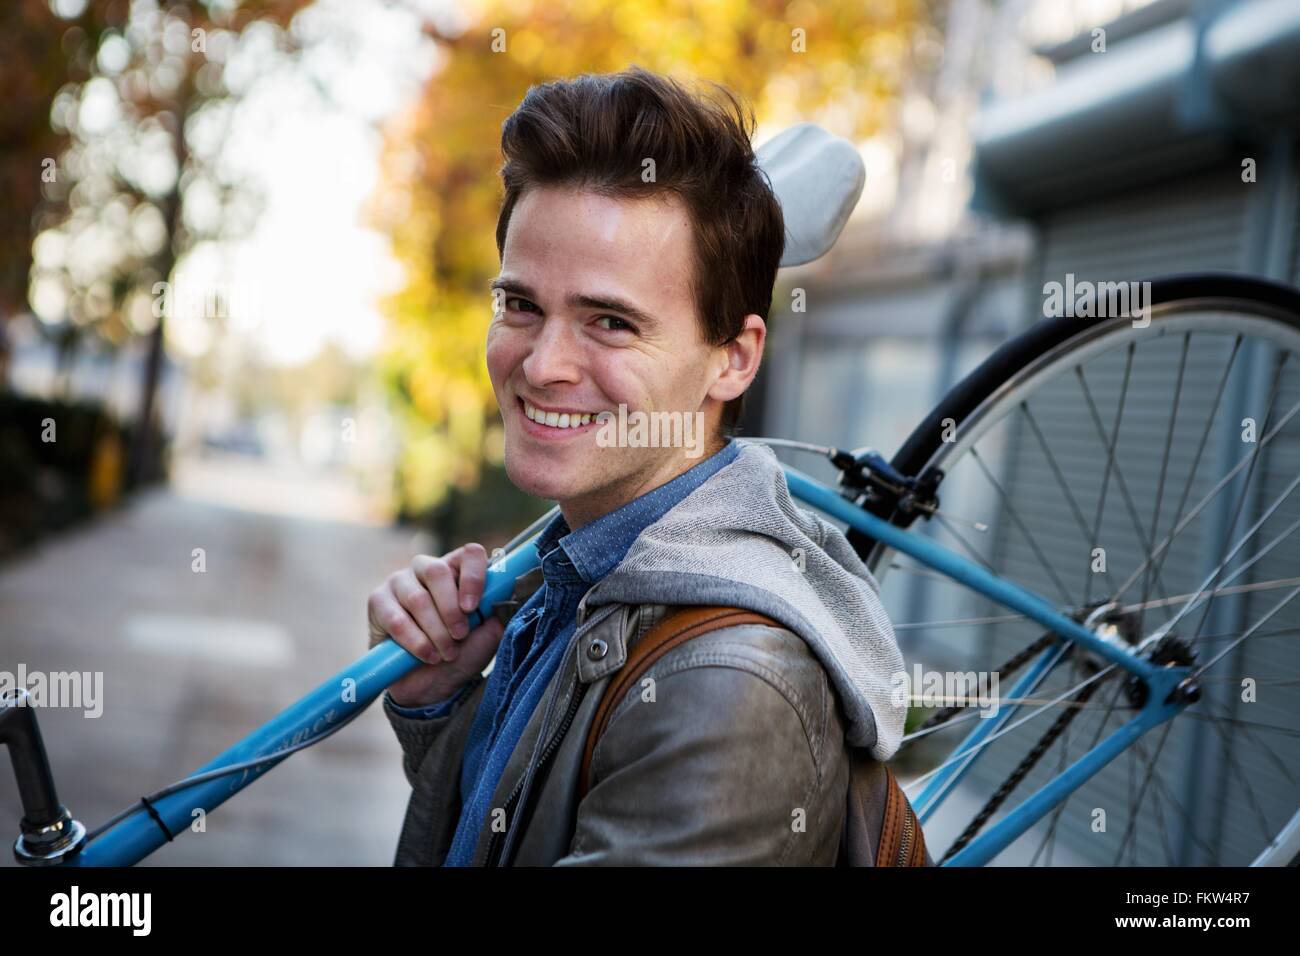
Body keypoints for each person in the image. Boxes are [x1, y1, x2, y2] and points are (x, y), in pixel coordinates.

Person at [367, 65, 905, 865]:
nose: (543, 364)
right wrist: (441, 707)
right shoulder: (586, 572)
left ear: (733, 358)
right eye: (521, 305)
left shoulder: (727, 688)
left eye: (611, 322)